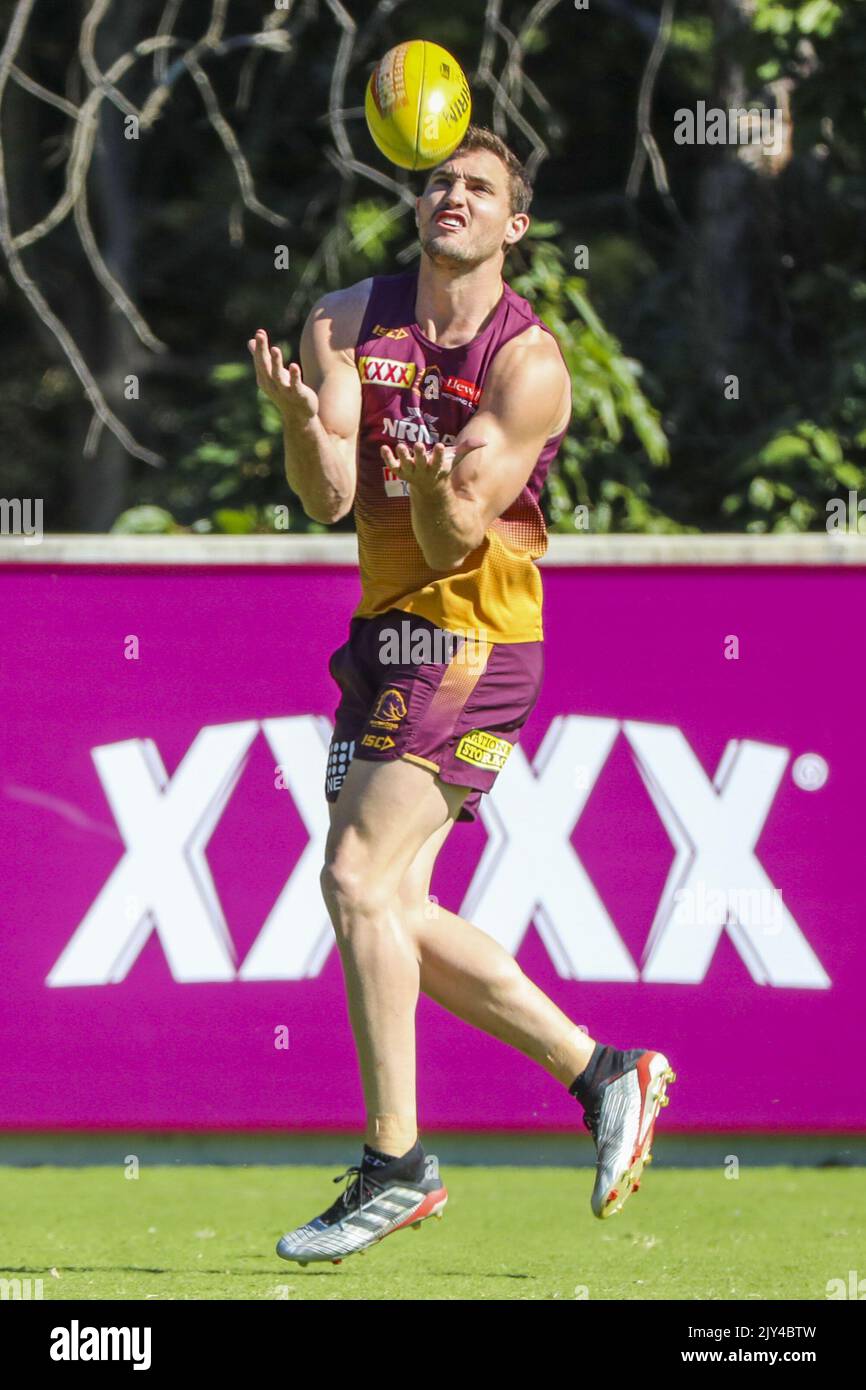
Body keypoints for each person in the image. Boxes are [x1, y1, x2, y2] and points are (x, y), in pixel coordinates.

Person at [247, 125, 674, 1267]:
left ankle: (396, 1165)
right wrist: (301, 432)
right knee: (393, 915)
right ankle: (604, 1073)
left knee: (351, 876)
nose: (453, 196)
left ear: (512, 225)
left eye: (479, 188)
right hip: (382, 639)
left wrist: (436, 487)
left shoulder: (525, 363)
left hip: (474, 634)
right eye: (440, 180)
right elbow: (330, 496)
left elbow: (447, 538)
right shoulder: (343, 317)